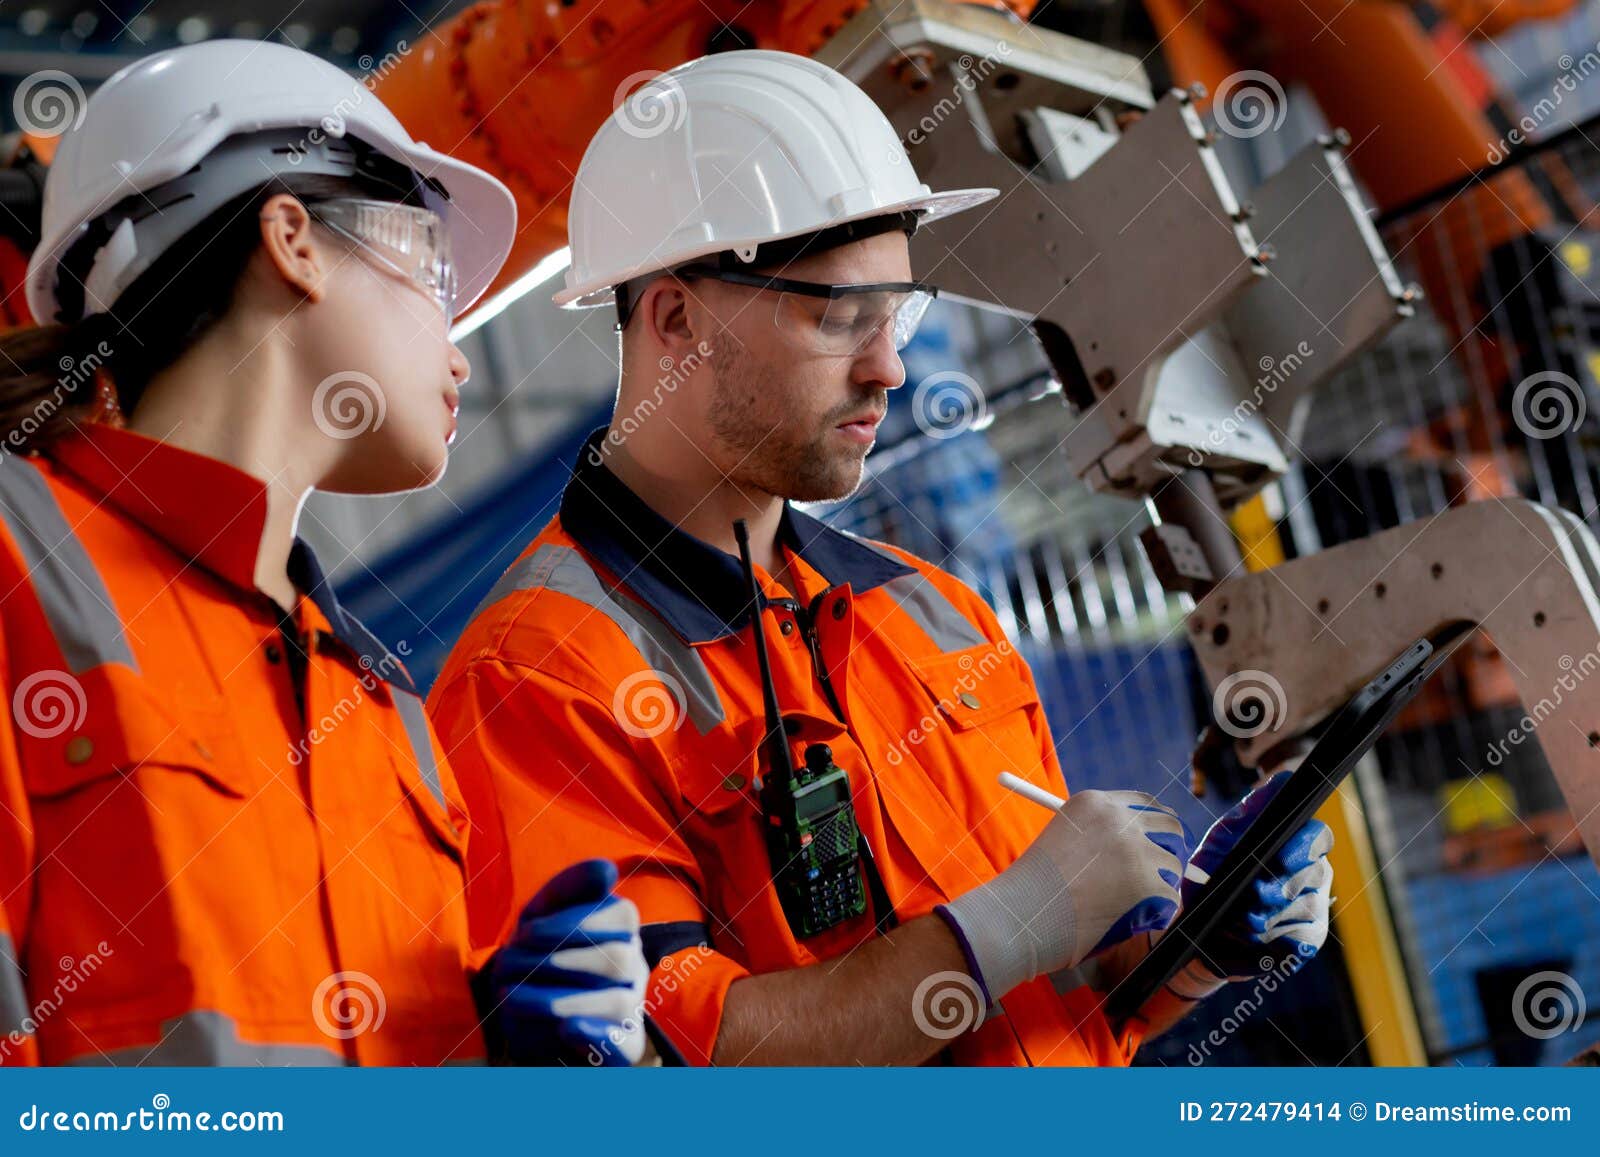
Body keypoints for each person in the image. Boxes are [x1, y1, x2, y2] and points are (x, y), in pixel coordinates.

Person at [428, 49, 1334, 1066]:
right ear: (677, 319)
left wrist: (1194, 950)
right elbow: (685, 1062)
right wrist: (1012, 922)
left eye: (897, 314)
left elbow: (1060, 1001)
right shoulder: (539, 675)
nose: (890, 367)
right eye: (839, 316)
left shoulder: (932, 612)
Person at [0, 39, 647, 1066]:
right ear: (293, 241)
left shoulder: (385, 715)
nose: (459, 353)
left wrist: (492, 1057)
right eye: (433, 272)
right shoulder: (18, 562)